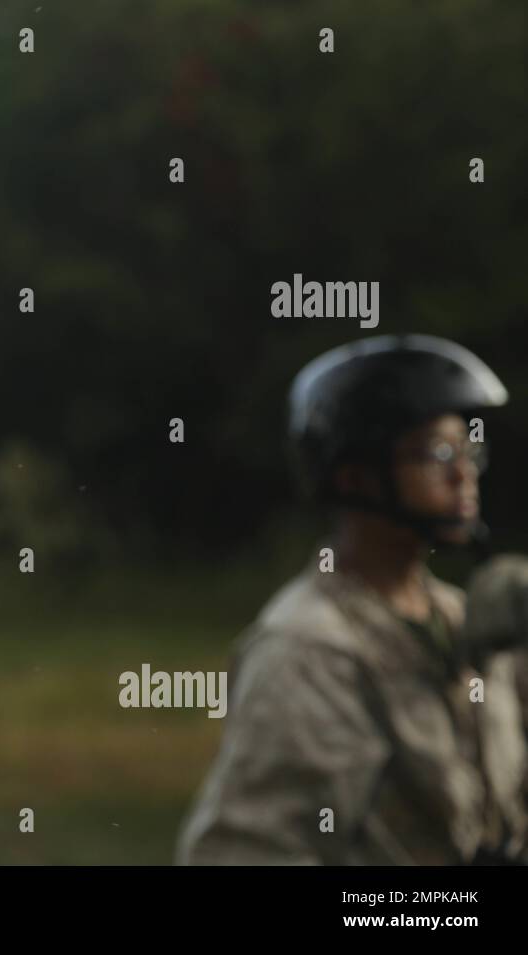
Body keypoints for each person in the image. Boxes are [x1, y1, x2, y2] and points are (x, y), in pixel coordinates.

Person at [178, 334, 528, 864]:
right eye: (437, 452)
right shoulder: (307, 649)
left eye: (468, 449)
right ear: (355, 476)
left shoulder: (465, 618)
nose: (464, 474)